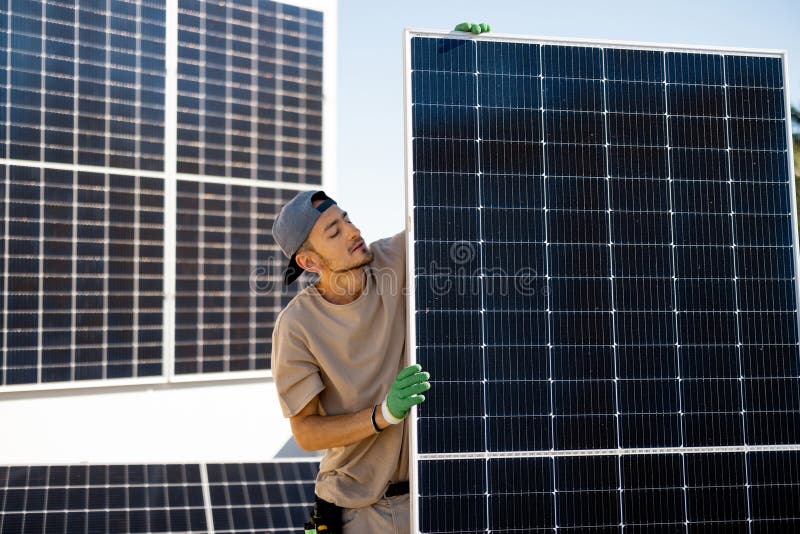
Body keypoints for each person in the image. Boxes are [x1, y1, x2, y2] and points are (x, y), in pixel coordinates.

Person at [270, 24, 490, 534]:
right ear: (309, 262)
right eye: (334, 230)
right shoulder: (297, 327)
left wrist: (450, 73)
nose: (353, 231)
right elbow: (305, 432)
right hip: (359, 511)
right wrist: (381, 415)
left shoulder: (393, 260)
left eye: (346, 217)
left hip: (432, 494)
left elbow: (440, 189)